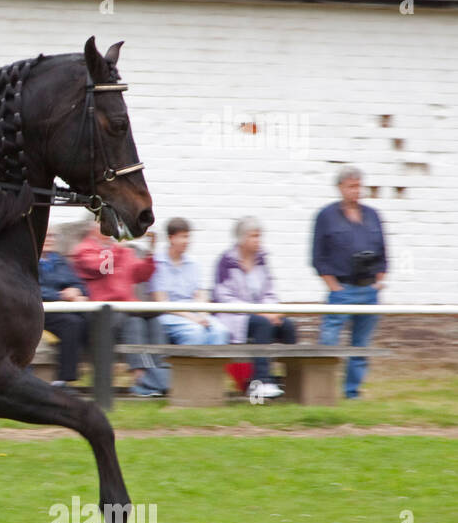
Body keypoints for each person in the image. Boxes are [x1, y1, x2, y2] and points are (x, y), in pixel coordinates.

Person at [71, 219, 170, 397]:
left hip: (128, 308)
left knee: (154, 320)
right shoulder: (84, 250)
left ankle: (157, 377)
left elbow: (141, 274)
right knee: (134, 321)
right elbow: (102, 267)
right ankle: (143, 380)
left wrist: (151, 251)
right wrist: (119, 246)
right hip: (103, 313)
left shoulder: (122, 251)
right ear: (94, 226)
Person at [313, 167, 387, 398]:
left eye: (358, 186)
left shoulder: (372, 216)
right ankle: (320, 390)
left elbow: (383, 253)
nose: (356, 191)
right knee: (329, 340)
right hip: (342, 288)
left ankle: (352, 391)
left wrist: (377, 282)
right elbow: (318, 256)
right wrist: (333, 285)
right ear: (340, 188)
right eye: (351, 186)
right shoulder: (326, 216)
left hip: (369, 289)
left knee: (361, 343)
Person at [214, 217, 295, 399]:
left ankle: (292, 380)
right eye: (253, 236)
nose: (258, 240)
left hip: (260, 313)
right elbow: (224, 297)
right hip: (233, 317)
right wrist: (258, 312)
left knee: (288, 325)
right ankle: (261, 382)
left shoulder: (262, 261)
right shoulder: (226, 262)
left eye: (259, 236)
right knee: (262, 324)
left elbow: (269, 291)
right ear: (241, 239)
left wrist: (272, 310)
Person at [151, 217, 228, 345]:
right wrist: (193, 318)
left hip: (194, 313)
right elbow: (162, 303)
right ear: (171, 238)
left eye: (188, 237)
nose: (187, 241)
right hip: (171, 316)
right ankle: (187, 365)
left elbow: (200, 295)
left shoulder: (193, 263)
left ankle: (212, 366)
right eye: (183, 237)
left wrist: (203, 315)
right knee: (195, 333)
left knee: (220, 332)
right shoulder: (157, 263)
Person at [38, 228, 89, 389]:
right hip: (41, 311)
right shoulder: (28, 260)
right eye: (45, 236)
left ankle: (101, 376)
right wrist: (60, 296)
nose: (49, 239)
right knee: (71, 323)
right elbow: (31, 288)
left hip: (66, 308)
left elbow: (79, 284)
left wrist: (77, 292)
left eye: (52, 236)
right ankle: (63, 380)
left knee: (94, 319)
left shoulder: (60, 261)